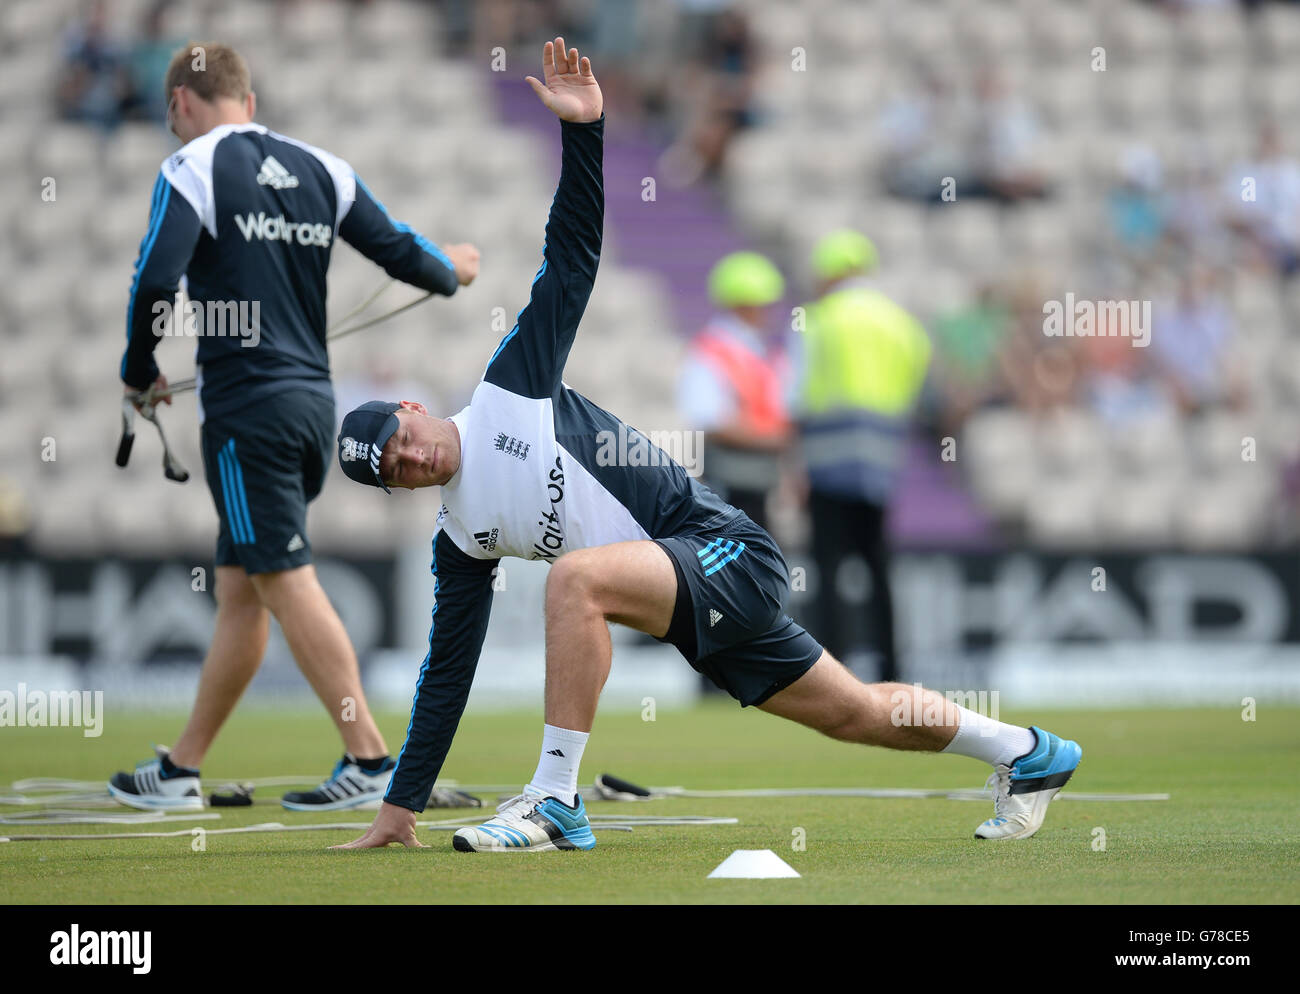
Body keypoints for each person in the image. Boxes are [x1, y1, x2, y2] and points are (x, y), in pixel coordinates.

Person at [333, 38, 1081, 852]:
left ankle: (554, 802)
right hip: (684, 596)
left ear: (411, 406)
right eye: (394, 473)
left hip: (721, 550)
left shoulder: (508, 390)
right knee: (855, 713)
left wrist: (584, 133)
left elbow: (571, 260)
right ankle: (1029, 752)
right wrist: (398, 810)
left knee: (575, 582)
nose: (408, 460)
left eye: (399, 440)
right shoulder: (460, 537)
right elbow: (447, 673)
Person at [108, 42, 479, 812]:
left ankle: (372, 760)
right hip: (314, 405)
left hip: (247, 408)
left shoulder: (193, 167)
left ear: (181, 102)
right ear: (247, 96)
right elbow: (402, 252)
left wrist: (138, 367)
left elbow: (156, 276)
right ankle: (182, 769)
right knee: (244, 589)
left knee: (278, 573)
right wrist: (453, 271)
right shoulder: (323, 168)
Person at [794, 230, 931, 683]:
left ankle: (830, 671)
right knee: (877, 567)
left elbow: (794, 393)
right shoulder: (901, 324)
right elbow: (919, 384)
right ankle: (893, 669)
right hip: (881, 462)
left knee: (828, 566)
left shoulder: (820, 319)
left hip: (827, 460)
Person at [677, 250, 791, 531]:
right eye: (762, 304)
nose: (768, 312)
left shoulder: (759, 351)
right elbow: (711, 421)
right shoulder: (712, 351)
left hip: (758, 478)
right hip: (730, 479)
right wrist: (773, 439)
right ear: (743, 305)